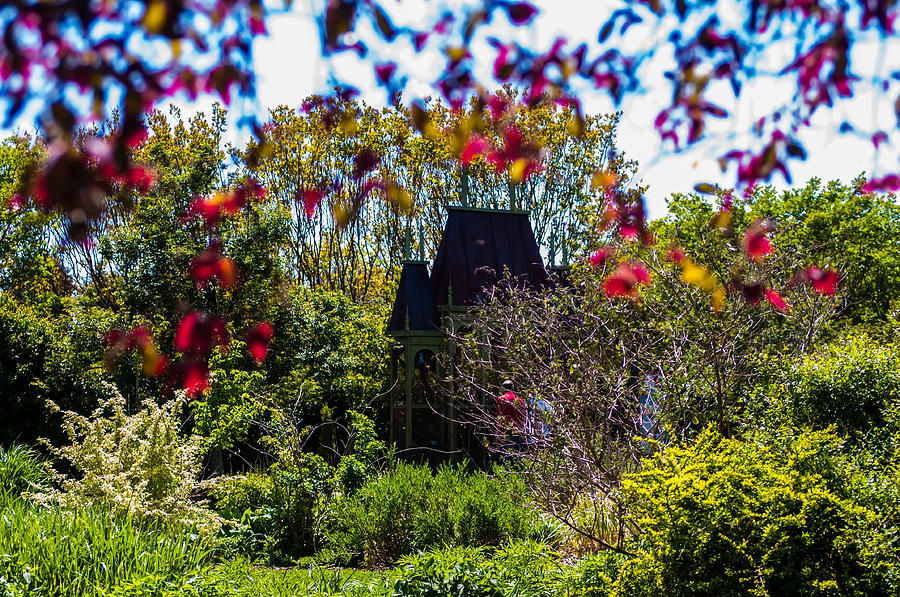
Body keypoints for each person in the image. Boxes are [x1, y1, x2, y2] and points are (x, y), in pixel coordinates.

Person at [496, 379, 525, 454]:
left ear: (503, 388)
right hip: (517, 430)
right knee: (517, 455)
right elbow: (523, 416)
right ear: (512, 388)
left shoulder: (501, 399)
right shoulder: (519, 400)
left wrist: (498, 431)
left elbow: (499, 415)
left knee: (505, 455)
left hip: (504, 430)